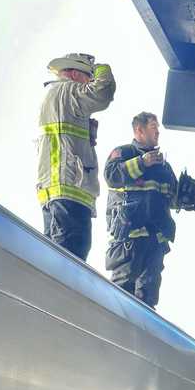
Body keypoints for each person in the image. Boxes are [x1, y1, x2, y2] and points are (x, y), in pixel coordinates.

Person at [104, 112, 195, 308]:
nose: (158, 131)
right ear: (139, 130)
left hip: (156, 241)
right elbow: (111, 175)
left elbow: (169, 200)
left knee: (147, 300)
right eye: (153, 126)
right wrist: (142, 162)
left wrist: (185, 197)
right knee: (121, 294)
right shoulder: (123, 152)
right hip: (130, 238)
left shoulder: (164, 167)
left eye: (157, 127)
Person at [37, 53, 116, 261]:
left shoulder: (54, 96)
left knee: (56, 258)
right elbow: (102, 91)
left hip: (55, 193)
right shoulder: (67, 90)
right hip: (69, 190)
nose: (89, 82)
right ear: (73, 74)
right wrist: (101, 68)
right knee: (70, 259)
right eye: (87, 76)